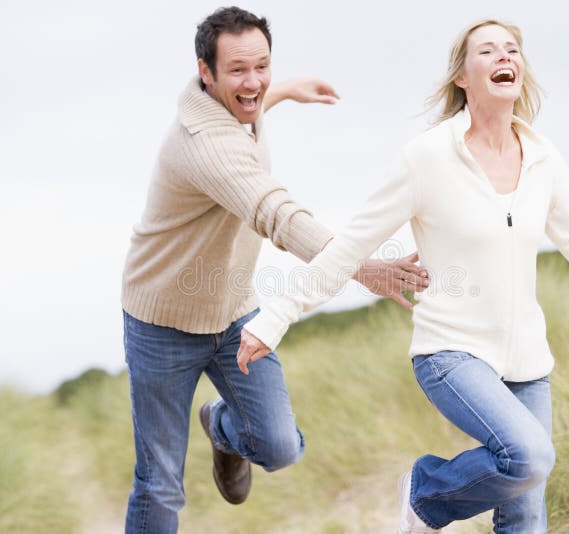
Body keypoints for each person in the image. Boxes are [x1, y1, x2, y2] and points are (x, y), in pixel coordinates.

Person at [236, 18, 569, 534]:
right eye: (487, 51)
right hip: (452, 352)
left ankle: (429, 500)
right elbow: (349, 246)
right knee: (530, 456)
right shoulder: (427, 157)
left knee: (527, 518)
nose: (503, 57)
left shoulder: (543, 160)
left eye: (512, 49)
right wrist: (276, 318)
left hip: (528, 366)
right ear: (463, 77)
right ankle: (425, 493)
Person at [120, 6, 429, 533]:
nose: (253, 82)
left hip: (234, 312)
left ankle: (220, 427)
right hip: (161, 324)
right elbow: (277, 213)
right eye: (238, 70)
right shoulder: (205, 145)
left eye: (262, 65)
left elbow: (249, 104)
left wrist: (280, 91)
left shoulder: (233, 107)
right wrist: (362, 267)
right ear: (206, 71)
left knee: (280, 447)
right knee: (160, 481)